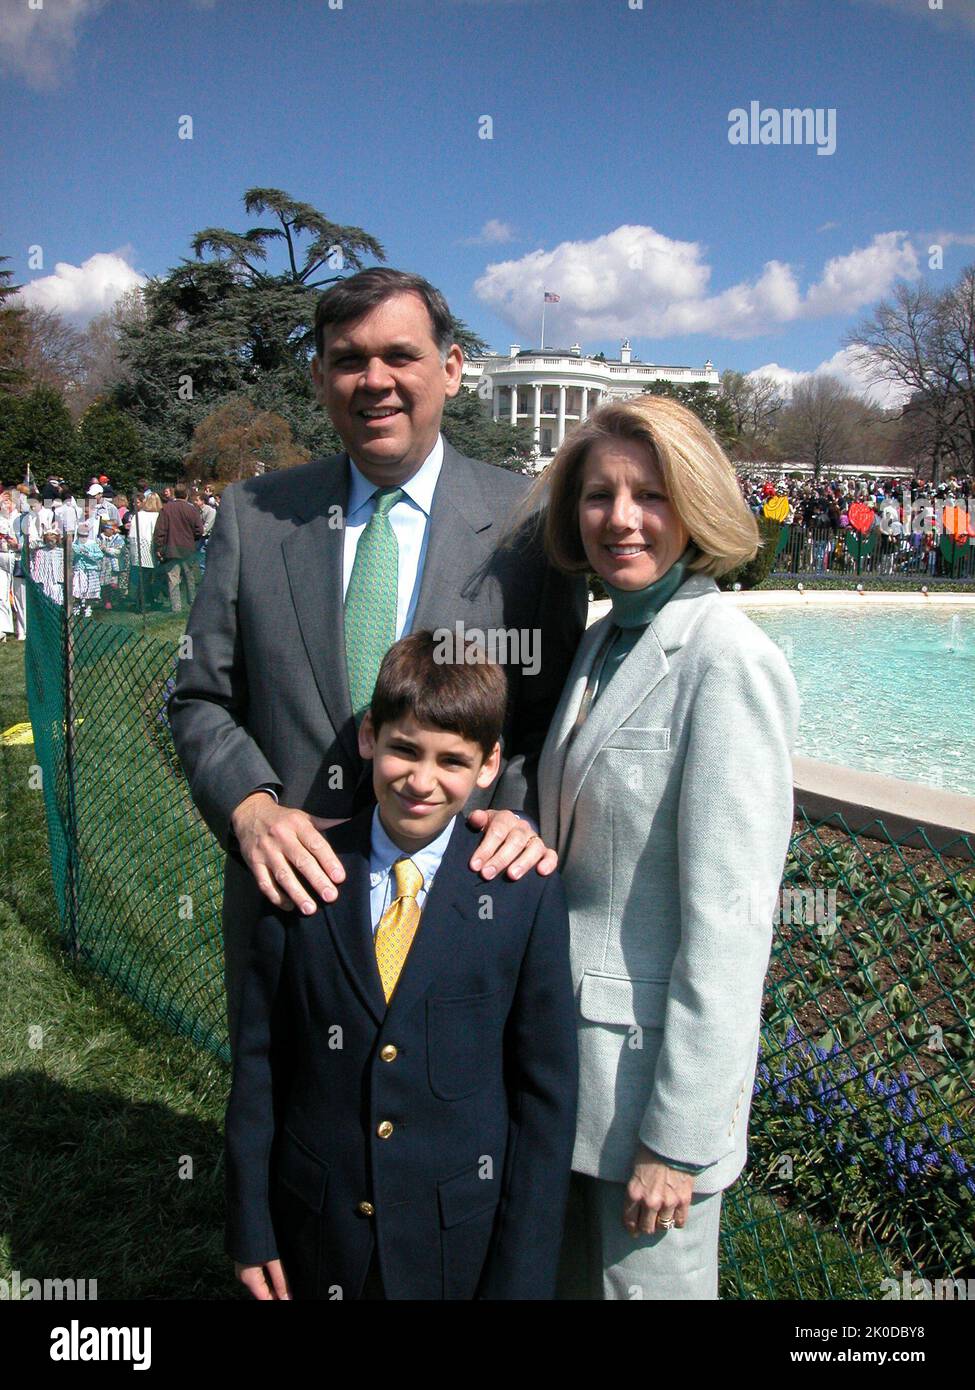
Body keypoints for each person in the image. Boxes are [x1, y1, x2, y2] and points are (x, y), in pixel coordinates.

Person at [167, 267, 587, 1013]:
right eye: (349, 359)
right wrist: (251, 809)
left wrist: (515, 817)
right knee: (277, 1121)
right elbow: (200, 695)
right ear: (321, 377)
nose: (375, 380)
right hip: (290, 897)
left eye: (400, 355)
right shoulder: (255, 516)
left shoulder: (529, 525)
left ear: (452, 369)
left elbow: (545, 714)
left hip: (465, 898)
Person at [501, 394, 798, 1300]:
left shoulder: (725, 659)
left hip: (647, 1102)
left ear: (696, 507)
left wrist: (678, 1133)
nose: (620, 519)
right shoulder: (602, 642)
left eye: (650, 494)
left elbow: (731, 924)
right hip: (566, 1075)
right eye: (598, 495)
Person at [227, 632, 578, 1300]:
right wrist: (250, 1227)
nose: (421, 781)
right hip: (315, 1231)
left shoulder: (520, 893)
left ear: (489, 765)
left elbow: (544, 1100)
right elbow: (258, 1066)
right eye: (404, 749)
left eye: (452, 760)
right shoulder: (303, 873)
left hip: (454, 1246)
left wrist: (522, 1279)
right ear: (369, 738)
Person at [154, 483, 203, 612]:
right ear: (186, 495)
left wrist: (159, 547)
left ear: (174, 494)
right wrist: (193, 539)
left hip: (171, 548)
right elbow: (199, 530)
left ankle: (176, 607)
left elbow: (160, 530)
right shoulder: (192, 509)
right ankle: (193, 603)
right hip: (188, 548)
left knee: (173, 579)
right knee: (190, 577)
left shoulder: (166, 509)